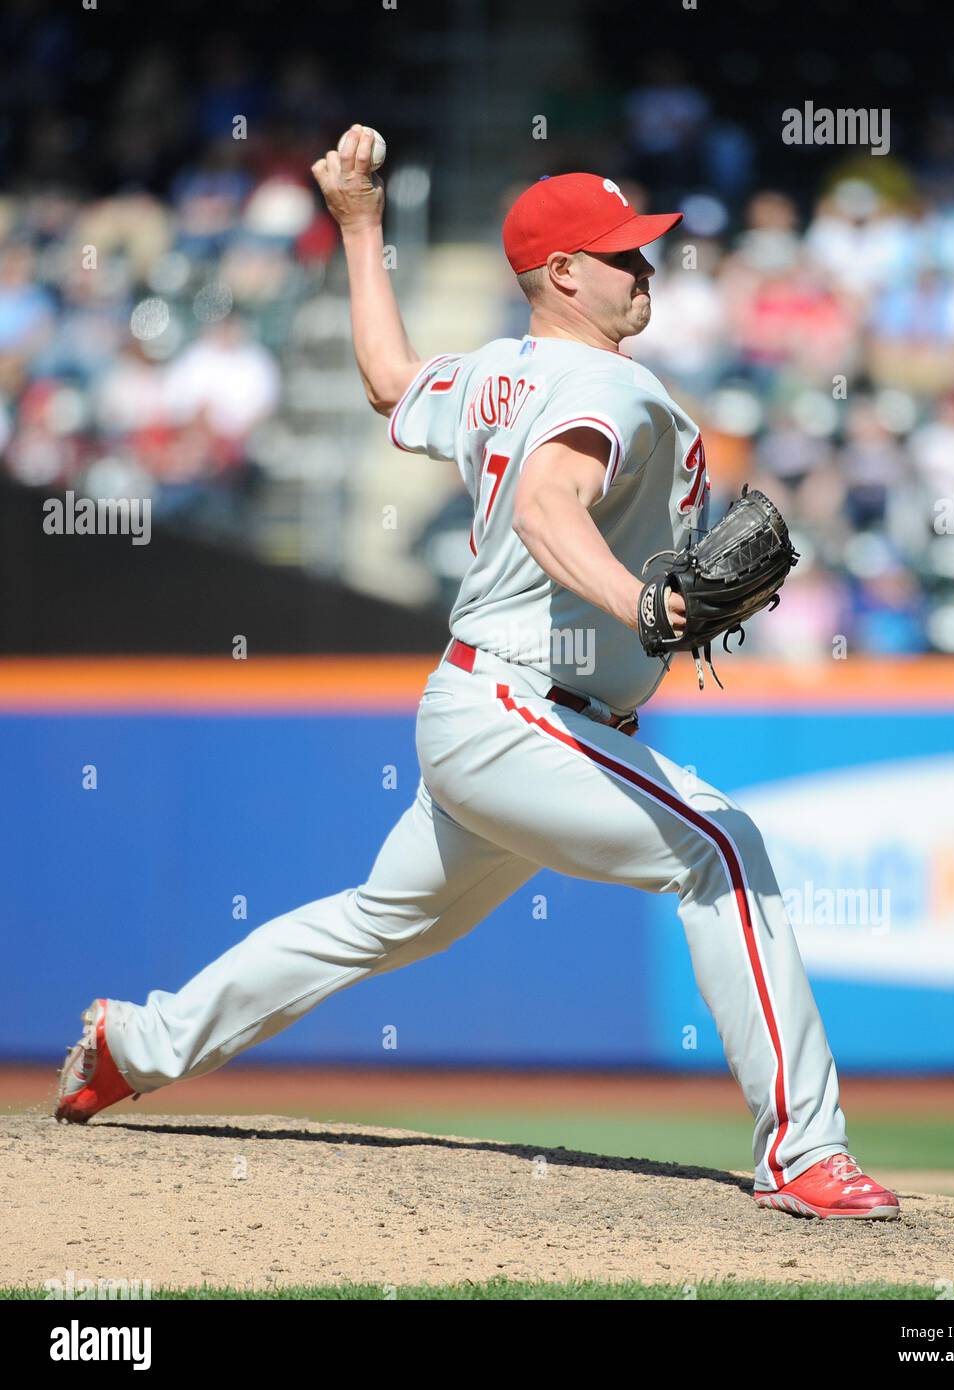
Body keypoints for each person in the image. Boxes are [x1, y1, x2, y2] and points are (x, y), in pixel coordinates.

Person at [56, 125, 899, 1221]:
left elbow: (386, 379)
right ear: (562, 273)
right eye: (624, 253)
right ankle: (802, 1152)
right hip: (518, 710)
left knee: (375, 920)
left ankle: (138, 1041)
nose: (646, 268)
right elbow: (552, 503)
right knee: (723, 850)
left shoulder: (493, 372)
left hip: (492, 710)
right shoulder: (613, 385)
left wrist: (360, 223)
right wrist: (638, 600)